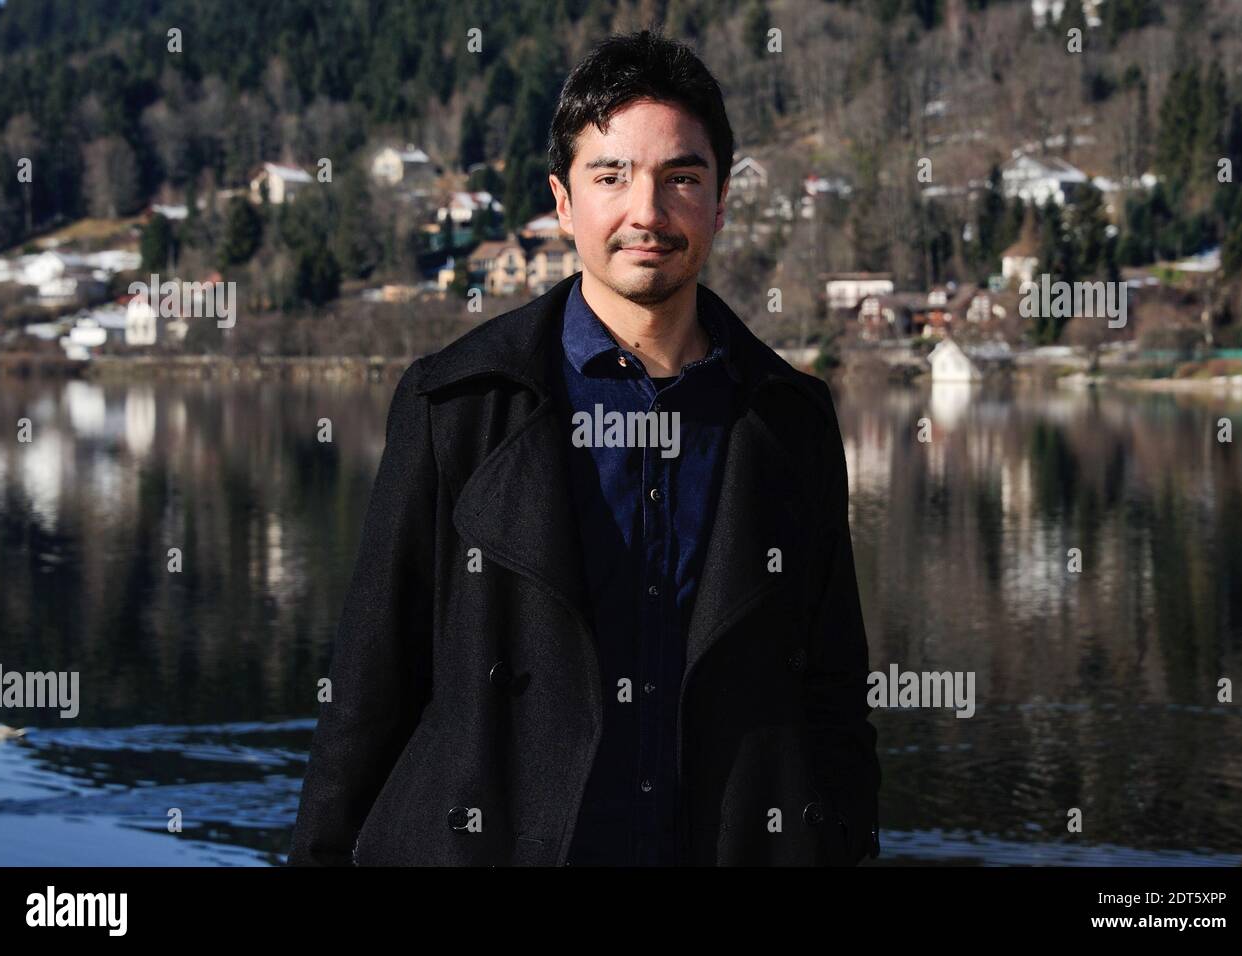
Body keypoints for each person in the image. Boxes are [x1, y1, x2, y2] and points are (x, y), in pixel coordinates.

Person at [288, 28, 880, 867]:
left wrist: (843, 843)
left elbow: (832, 696)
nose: (648, 211)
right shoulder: (453, 405)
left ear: (720, 203)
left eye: (682, 178)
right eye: (612, 176)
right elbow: (368, 693)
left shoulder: (791, 419)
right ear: (563, 203)